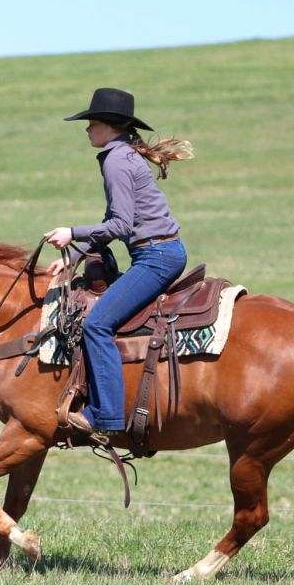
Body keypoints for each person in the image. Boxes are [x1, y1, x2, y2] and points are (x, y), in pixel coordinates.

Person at [44, 87, 193, 439]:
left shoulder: (116, 161)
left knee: (96, 324)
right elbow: (115, 219)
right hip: (158, 252)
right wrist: (74, 259)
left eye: (91, 123)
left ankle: (105, 415)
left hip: (156, 257)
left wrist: (72, 232)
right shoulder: (122, 156)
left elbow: (121, 225)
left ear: (109, 126)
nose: (87, 130)